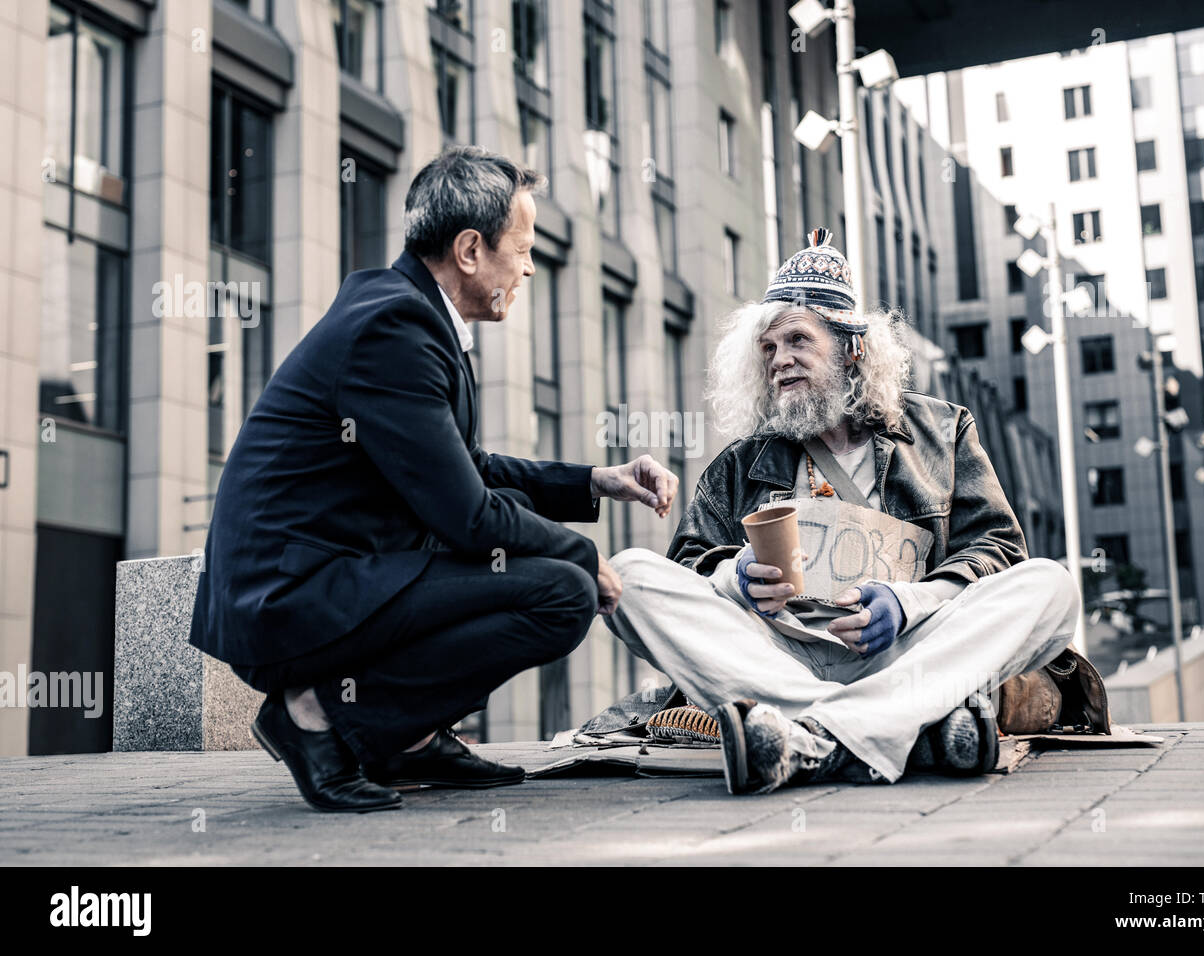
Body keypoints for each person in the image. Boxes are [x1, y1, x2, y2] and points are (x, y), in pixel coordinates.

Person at [190, 146, 676, 812]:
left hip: (326, 575)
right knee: (561, 592)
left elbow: (464, 473)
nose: (530, 267)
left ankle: (409, 739)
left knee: (540, 562)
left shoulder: (410, 315)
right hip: (285, 597)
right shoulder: (394, 326)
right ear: (471, 250)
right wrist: (584, 555)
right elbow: (468, 516)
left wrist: (597, 481)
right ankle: (314, 716)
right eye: (524, 249)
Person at [605, 229, 1080, 795]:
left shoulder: (943, 430)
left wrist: (909, 603)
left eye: (798, 342)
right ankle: (889, 729)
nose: (780, 361)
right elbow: (687, 567)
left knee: (1052, 586)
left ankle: (807, 739)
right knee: (628, 576)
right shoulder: (740, 462)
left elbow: (1000, 550)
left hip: (908, 653)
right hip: (776, 657)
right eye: (769, 350)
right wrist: (736, 579)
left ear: (852, 347)